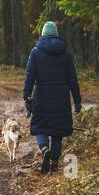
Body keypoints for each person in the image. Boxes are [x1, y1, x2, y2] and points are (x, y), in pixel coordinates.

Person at [23, 21, 82, 174]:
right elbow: (72, 79)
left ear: (42, 34)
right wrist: (77, 101)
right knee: (58, 130)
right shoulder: (66, 54)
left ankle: (44, 149)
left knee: (40, 126)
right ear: (56, 35)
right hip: (61, 97)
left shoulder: (35, 52)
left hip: (42, 95)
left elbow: (29, 77)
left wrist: (27, 96)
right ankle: (55, 162)